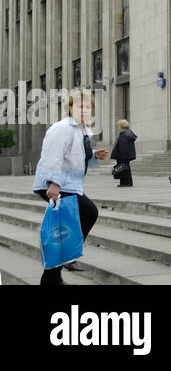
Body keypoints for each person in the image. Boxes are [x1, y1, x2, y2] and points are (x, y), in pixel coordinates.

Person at [31, 89, 108, 285]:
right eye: (80, 106)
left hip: (69, 184)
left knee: (75, 220)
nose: (85, 110)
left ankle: (53, 277)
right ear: (70, 108)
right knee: (89, 212)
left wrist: (93, 155)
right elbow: (52, 156)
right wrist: (54, 183)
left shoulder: (81, 130)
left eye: (88, 107)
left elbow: (74, 156)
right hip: (55, 183)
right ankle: (66, 257)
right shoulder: (62, 128)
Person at [110, 119, 136, 187]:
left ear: (121, 126)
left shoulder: (124, 134)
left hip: (122, 155)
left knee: (123, 168)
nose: (118, 127)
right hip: (125, 155)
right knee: (125, 168)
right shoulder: (128, 133)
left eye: (119, 125)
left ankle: (125, 183)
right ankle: (127, 182)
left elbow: (122, 146)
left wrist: (119, 155)